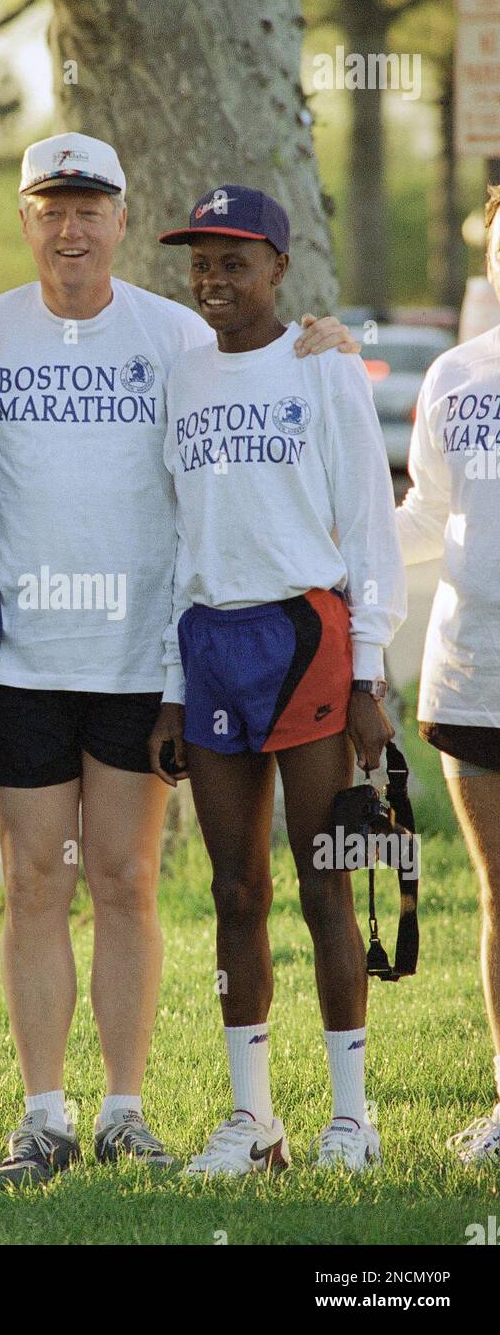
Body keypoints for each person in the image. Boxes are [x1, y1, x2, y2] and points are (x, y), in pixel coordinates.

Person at [0, 134, 359, 1186]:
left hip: (137, 663)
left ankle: (123, 1108)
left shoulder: (172, 334)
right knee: (29, 882)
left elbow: (256, 362)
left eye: (89, 207)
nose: (69, 228)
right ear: (24, 221)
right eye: (48, 208)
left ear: (117, 217)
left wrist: (323, 341)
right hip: (17, 659)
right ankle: (43, 1113)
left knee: (122, 879)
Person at [151, 184, 406, 1175]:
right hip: (211, 642)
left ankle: (351, 1115)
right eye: (200, 263)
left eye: (234, 261)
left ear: (277, 270)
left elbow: (366, 522)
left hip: (306, 637)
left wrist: (369, 669)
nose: (214, 279)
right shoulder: (181, 376)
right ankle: (251, 1122)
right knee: (233, 890)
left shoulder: (321, 366)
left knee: (323, 882)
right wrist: (170, 684)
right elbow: (177, 540)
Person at [396, 183, 500, 1167]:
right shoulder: (455, 373)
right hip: (469, 676)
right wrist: (330, 555)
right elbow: (425, 519)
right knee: (495, 895)